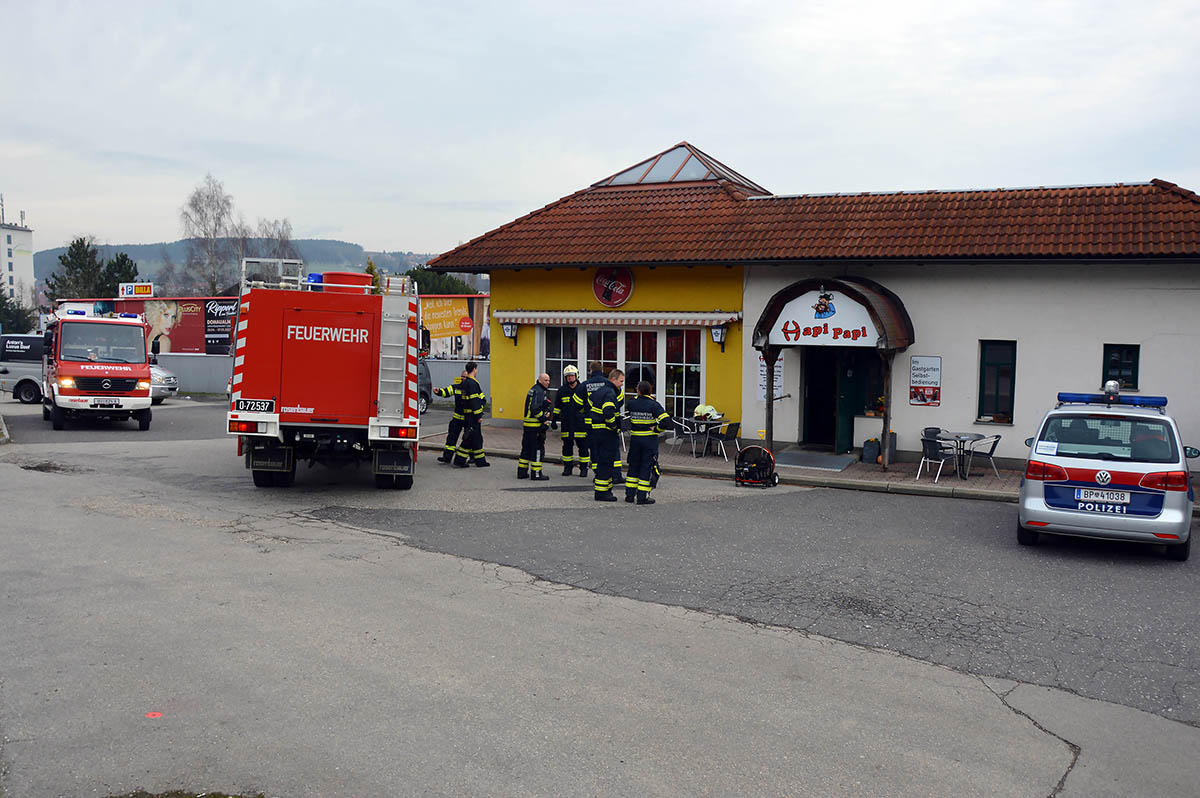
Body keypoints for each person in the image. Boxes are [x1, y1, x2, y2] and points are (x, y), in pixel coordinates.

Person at [625, 380, 674, 505]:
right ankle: (642, 497)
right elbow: (666, 421)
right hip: (649, 441)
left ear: (638, 390)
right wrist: (657, 429)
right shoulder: (653, 405)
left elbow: (631, 406)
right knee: (646, 467)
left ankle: (629, 495)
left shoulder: (632, 403)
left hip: (635, 440)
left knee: (633, 467)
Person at [587, 368, 624, 502]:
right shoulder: (609, 392)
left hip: (596, 431)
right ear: (613, 379)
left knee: (602, 461)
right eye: (621, 381)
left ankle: (606, 490)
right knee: (606, 463)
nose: (622, 384)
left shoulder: (600, 391)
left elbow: (590, 404)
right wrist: (613, 425)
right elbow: (608, 411)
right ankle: (602, 493)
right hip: (606, 433)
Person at [553, 364, 589, 476]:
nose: (570, 378)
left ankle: (584, 469)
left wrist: (588, 422)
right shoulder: (562, 391)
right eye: (567, 376)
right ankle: (567, 468)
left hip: (580, 424)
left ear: (576, 376)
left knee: (583, 448)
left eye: (572, 376)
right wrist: (554, 420)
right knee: (567, 448)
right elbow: (557, 406)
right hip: (567, 423)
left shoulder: (583, 389)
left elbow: (588, 407)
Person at [453, 361, 489, 467]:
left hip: (467, 415)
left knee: (477, 438)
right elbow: (474, 401)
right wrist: (478, 416)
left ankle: (480, 461)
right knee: (469, 439)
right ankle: (459, 461)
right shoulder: (472, 383)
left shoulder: (465, 382)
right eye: (476, 369)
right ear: (474, 369)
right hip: (472, 417)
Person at [518, 373, 553, 480]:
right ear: (540, 380)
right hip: (535, 426)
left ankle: (522, 472)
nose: (548, 382)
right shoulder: (540, 391)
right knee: (538, 449)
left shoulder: (533, 389)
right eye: (546, 380)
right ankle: (536, 473)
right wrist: (543, 418)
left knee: (526, 449)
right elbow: (535, 409)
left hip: (528, 426)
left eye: (548, 380)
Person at [433, 370, 467, 463]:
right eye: (462, 376)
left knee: (468, 439)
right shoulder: (456, 387)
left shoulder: (473, 388)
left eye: (465, 377)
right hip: (457, 418)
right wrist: (439, 391)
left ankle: (472, 458)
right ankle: (447, 457)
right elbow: (446, 392)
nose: (463, 378)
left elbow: (480, 400)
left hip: (468, 419)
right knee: (451, 438)